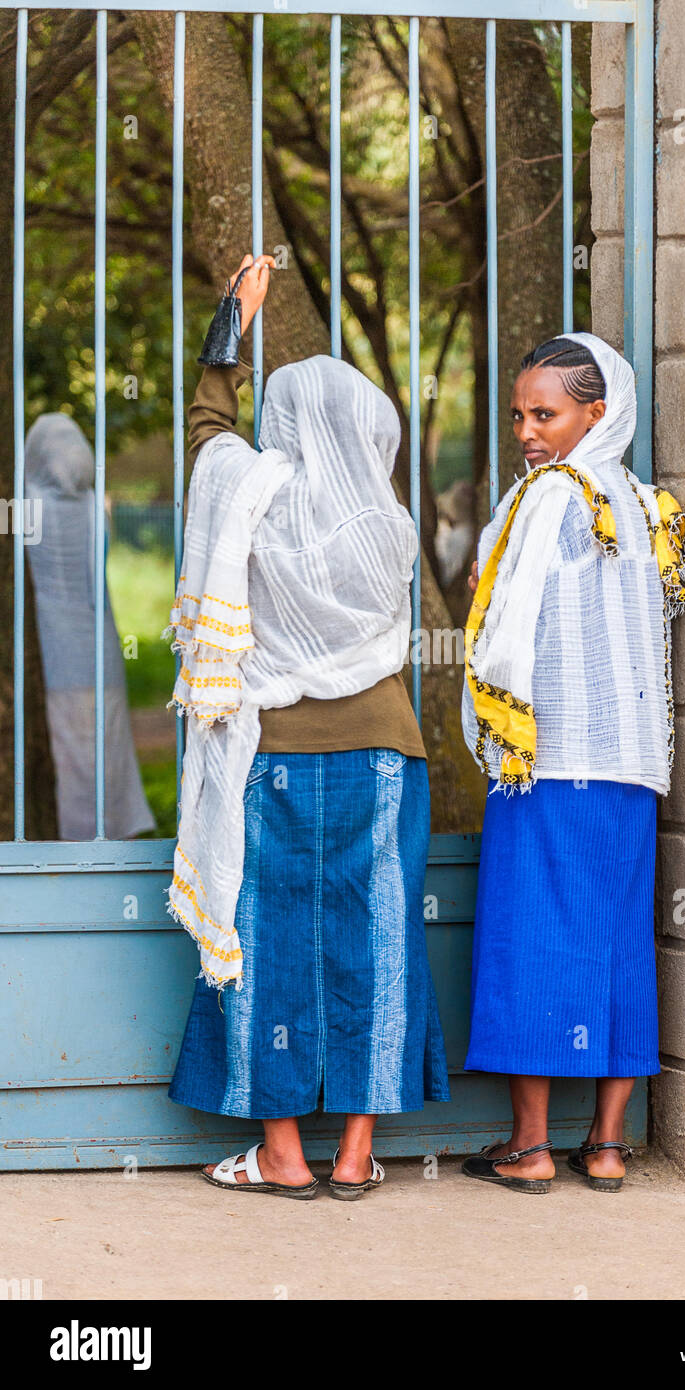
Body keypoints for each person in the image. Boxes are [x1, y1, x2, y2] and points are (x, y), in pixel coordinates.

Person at [164, 255, 449, 1200]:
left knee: (264, 935)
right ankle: (359, 1154)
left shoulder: (249, 493)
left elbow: (208, 436)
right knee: (378, 937)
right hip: (383, 757)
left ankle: (282, 1154)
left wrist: (234, 323)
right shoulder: (389, 526)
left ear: (282, 428)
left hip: (274, 755)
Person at [459, 332, 685, 1194]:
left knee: (531, 937)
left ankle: (527, 1148)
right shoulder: (645, 504)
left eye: (544, 413)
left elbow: (501, 625)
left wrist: (495, 730)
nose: (526, 430)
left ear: (597, 413)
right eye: (519, 414)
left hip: (547, 758)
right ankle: (605, 1145)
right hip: (629, 765)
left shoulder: (546, 496)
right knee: (617, 940)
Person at [23, 413, 155, 841]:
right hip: (102, 654)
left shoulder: (26, 506)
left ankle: (75, 852)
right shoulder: (94, 508)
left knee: (71, 758)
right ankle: (113, 840)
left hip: (58, 655)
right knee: (107, 753)